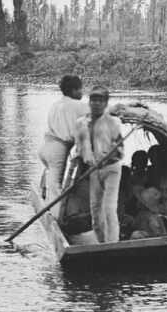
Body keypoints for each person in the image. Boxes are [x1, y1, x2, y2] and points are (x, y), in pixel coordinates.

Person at [74, 86, 127, 243]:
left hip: (111, 169)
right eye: (93, 100)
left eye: (100, 101)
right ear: (89, 102)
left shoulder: (113, 122)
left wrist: (104, 159)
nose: (96, 104)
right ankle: (101, 243)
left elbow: (120, 152)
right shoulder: (81, 123)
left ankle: (113, 244)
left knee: (109, 208)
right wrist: (84, 161)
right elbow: (79, 149)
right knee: (95, 211)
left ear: (105, 103)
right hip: (93, 170)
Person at [38, 75, 87, 217]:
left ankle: (43, 197)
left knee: (50, 179)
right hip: (57, 149)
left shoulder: (56, 104)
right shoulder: (76, 105)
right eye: (80, 90)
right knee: (55, 188)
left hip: (45, 147)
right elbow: (102, 110)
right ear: (73, 91)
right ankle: (56, 218)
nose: (82, 93)